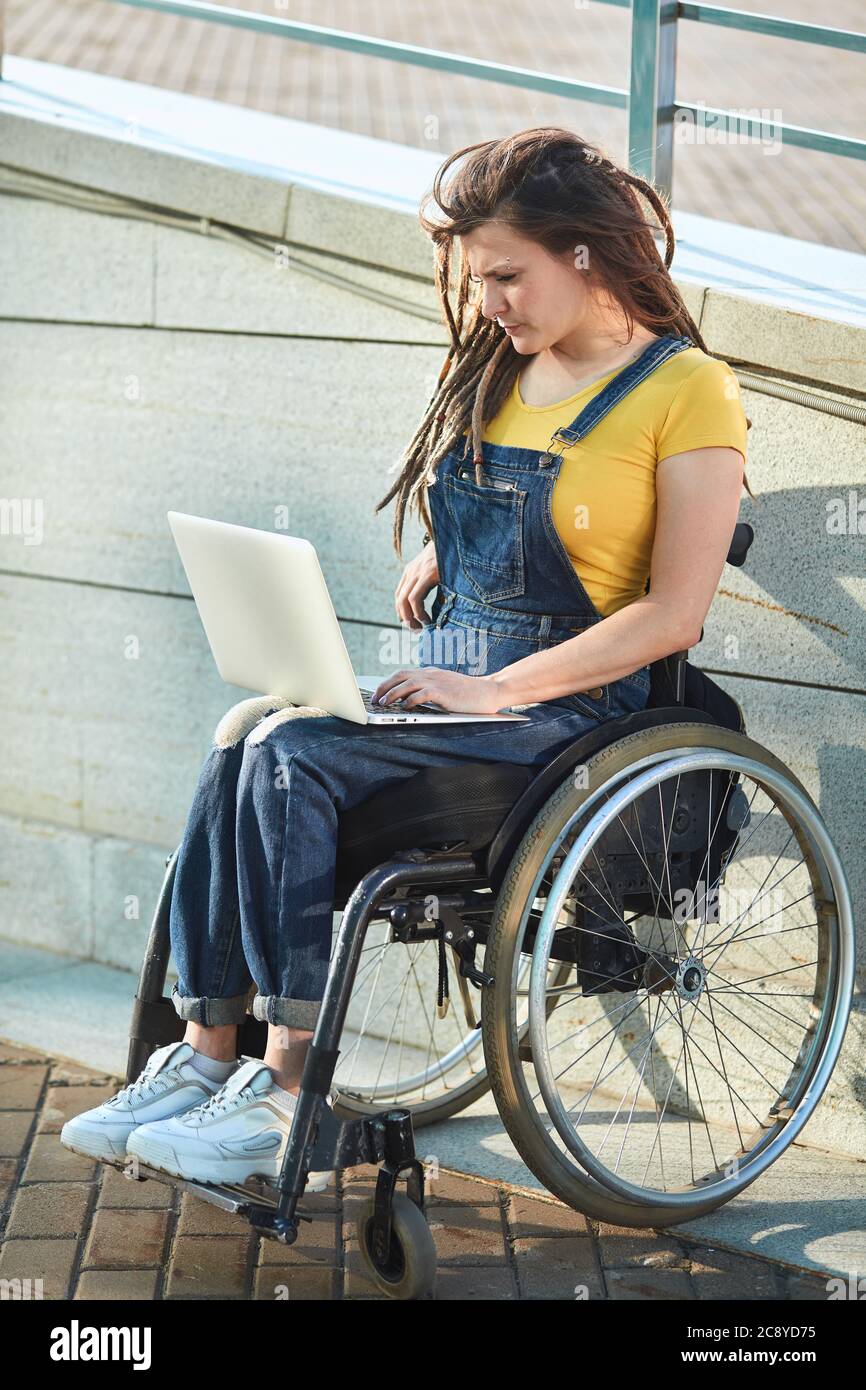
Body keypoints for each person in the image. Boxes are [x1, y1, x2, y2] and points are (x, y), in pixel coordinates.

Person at [61, 126, 748, 1190]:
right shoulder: (506, 367)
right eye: (476, 280)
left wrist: (495, 684)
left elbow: (670, 613)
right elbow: (543, 507)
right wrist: (447, 547)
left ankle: (287, 1091)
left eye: (505, 276)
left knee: (296, 756)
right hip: (460, 692)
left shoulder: (685, 389)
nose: (487, 305)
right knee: (246, 736)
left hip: (567, 719)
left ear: (581, 254)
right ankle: (203, 1062)